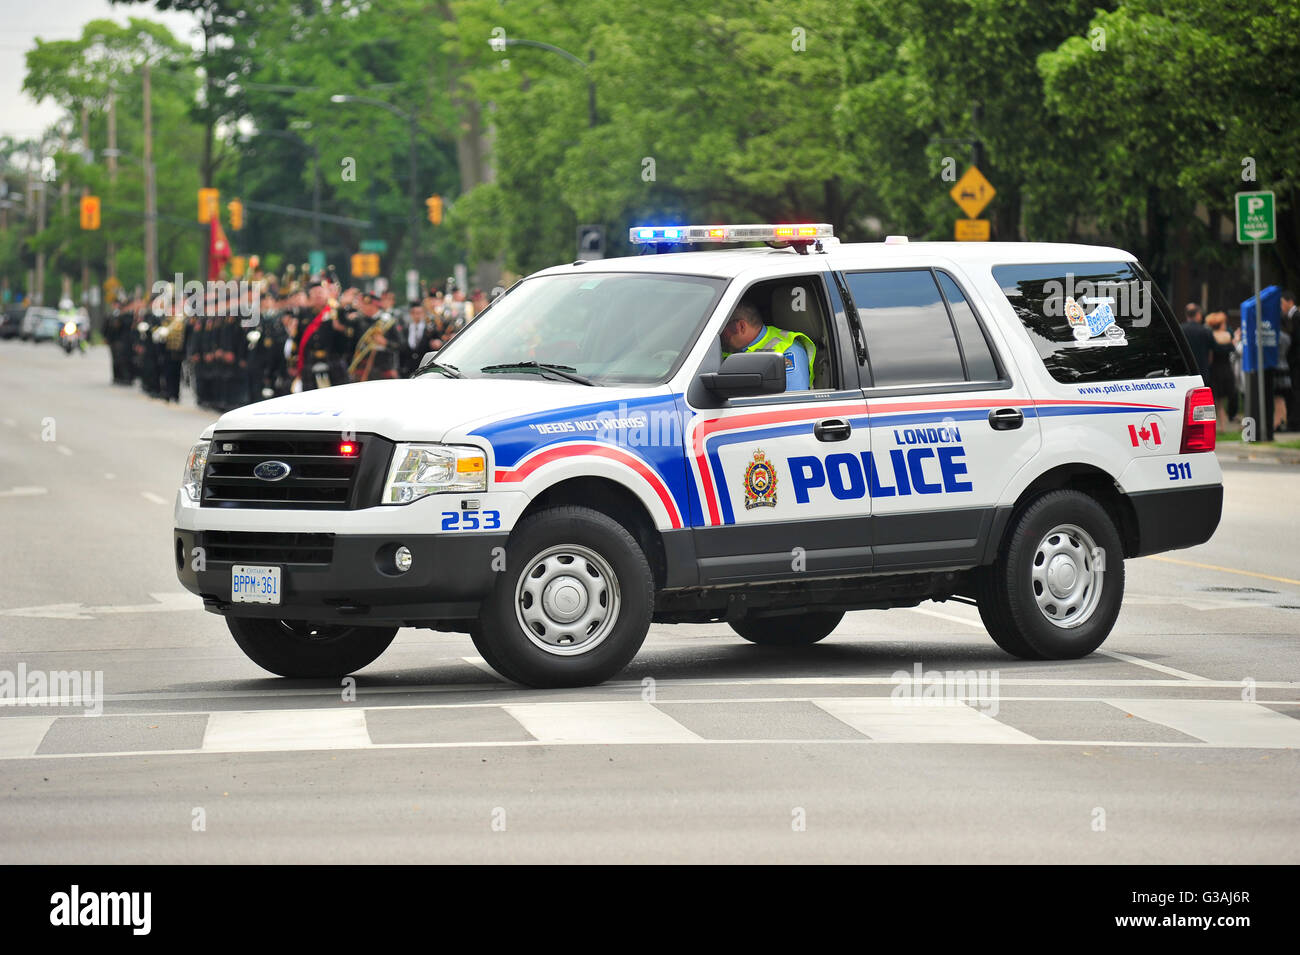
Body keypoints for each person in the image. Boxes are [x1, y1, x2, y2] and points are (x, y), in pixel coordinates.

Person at [719, 301, 814, 391]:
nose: (719, 334)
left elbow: (793, 400)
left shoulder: (787, 350)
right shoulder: (722, 350)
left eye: (722, 327)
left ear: (741, 326)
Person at [1205, 311, 1235, 431]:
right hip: (1227, 369)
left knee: (1217, 401)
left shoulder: (1211, 336)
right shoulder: (1228, 335)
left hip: (1215, 370)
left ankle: (1220, 425)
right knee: (1225, 399)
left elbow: (1210, 357)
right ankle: (1224, 424)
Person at [1180, 303, 1214, 384]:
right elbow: (1214, 348)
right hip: (1202, 371)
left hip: (1185, 370)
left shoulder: (1180, 329)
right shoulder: (1205, 331)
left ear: (1187, 315)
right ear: (1198, 315)